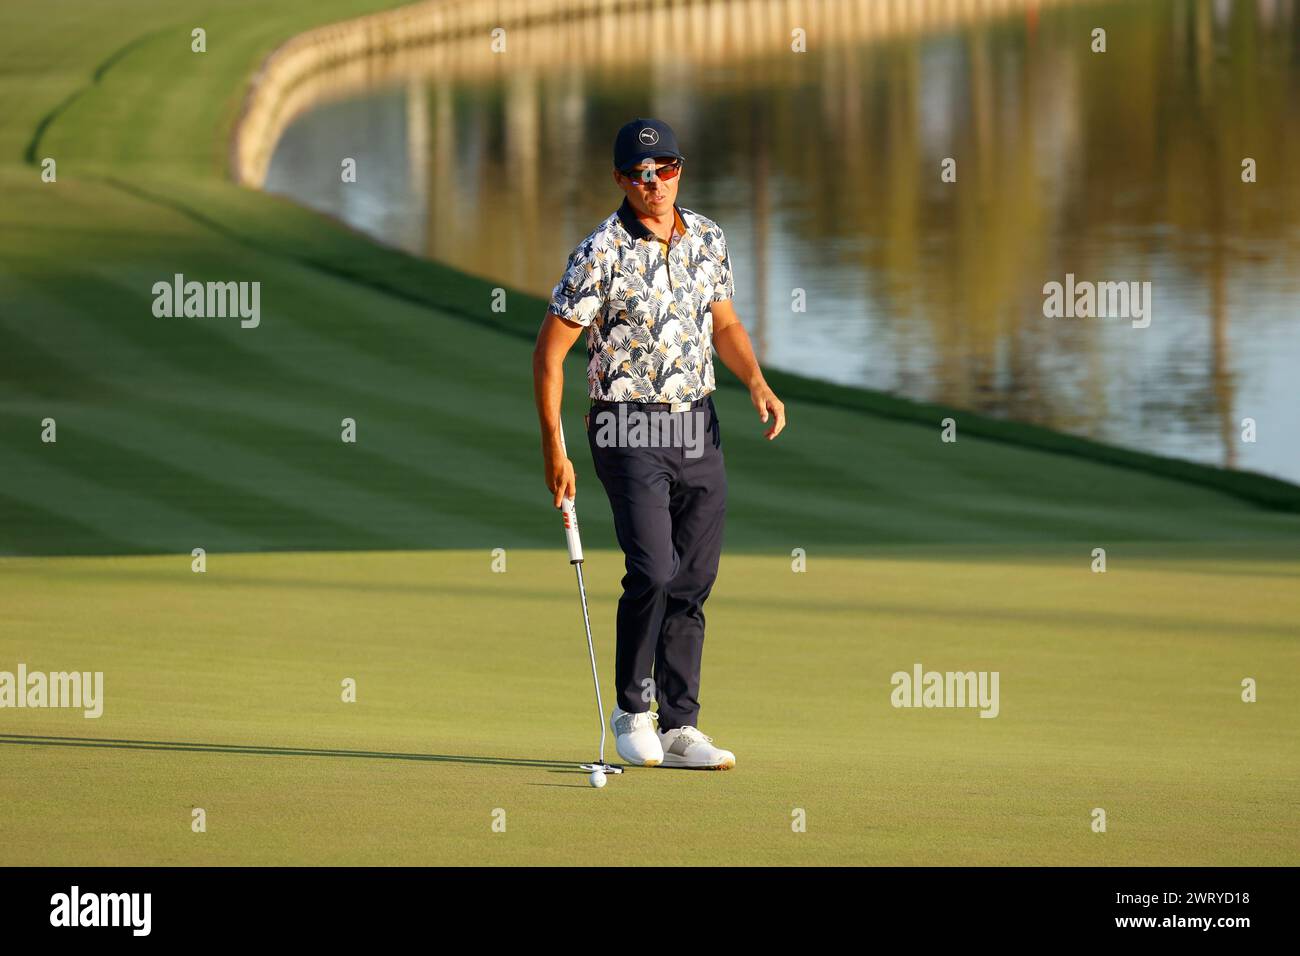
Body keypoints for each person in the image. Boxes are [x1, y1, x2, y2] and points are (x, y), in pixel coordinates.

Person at [532, 118, 785, 770]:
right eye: (640, 174)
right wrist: (554, 448)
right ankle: (631, 710)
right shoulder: (600, 253)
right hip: (626, 427)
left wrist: (754, 379)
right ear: (621, 179)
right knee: (654, 569)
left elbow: (723, 322)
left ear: (680, 168)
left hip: (696, 423)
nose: (654, 183)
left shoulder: (707, 239)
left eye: (665, 168)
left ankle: (681, 728)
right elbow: (550, 354)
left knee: (694, 577)